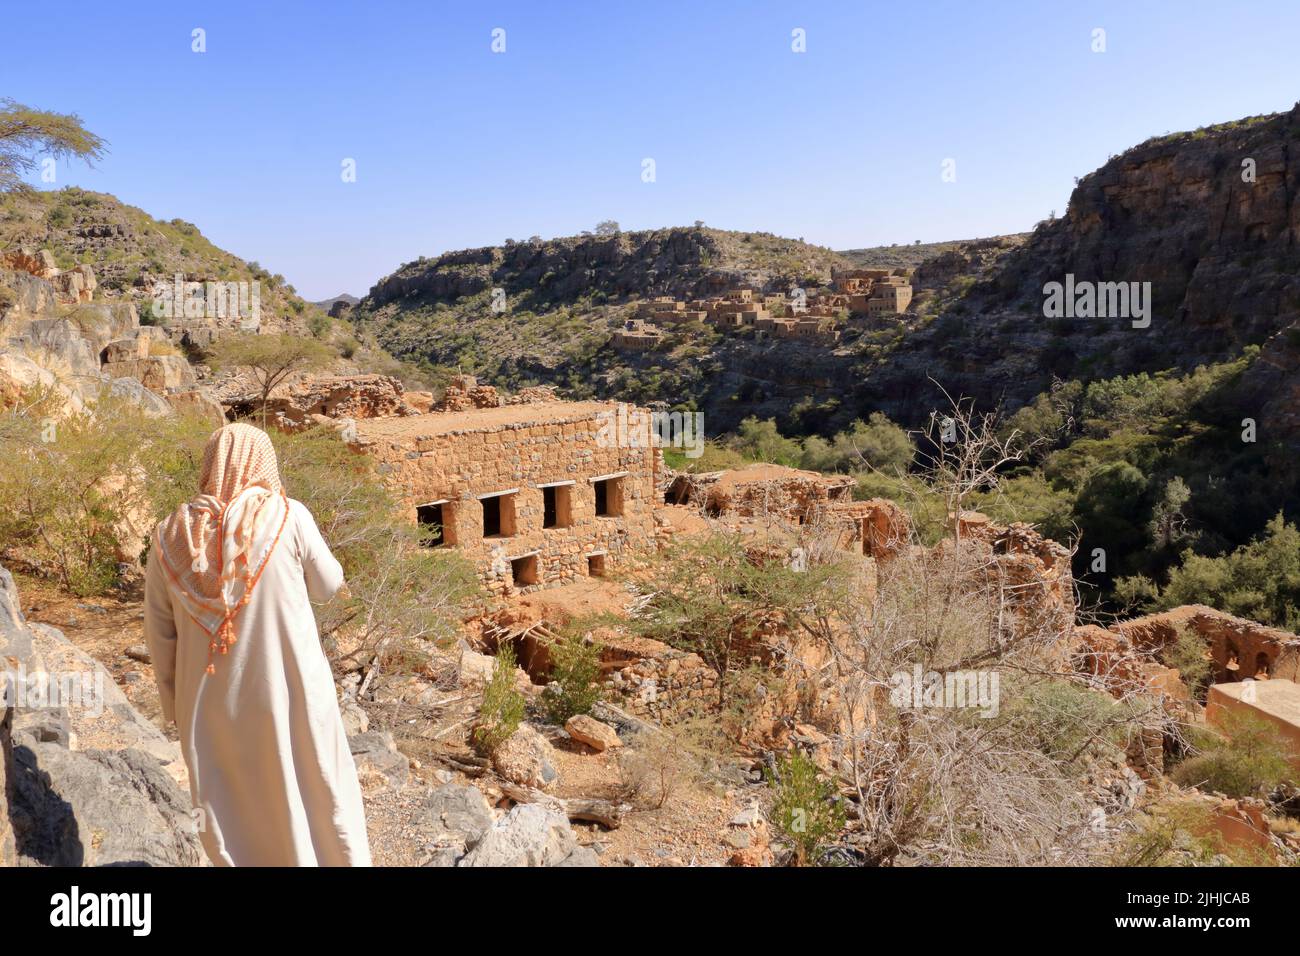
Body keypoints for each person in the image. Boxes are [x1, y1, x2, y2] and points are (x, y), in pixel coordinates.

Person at [143, 422, 371, 866]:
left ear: (210, 465)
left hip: (208, 703)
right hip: (289, 688)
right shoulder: (288, 516)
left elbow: (160, 633)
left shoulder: (169, 535)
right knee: (315, 786)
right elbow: (328, 585)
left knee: (234, 805)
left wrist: (174, 704)